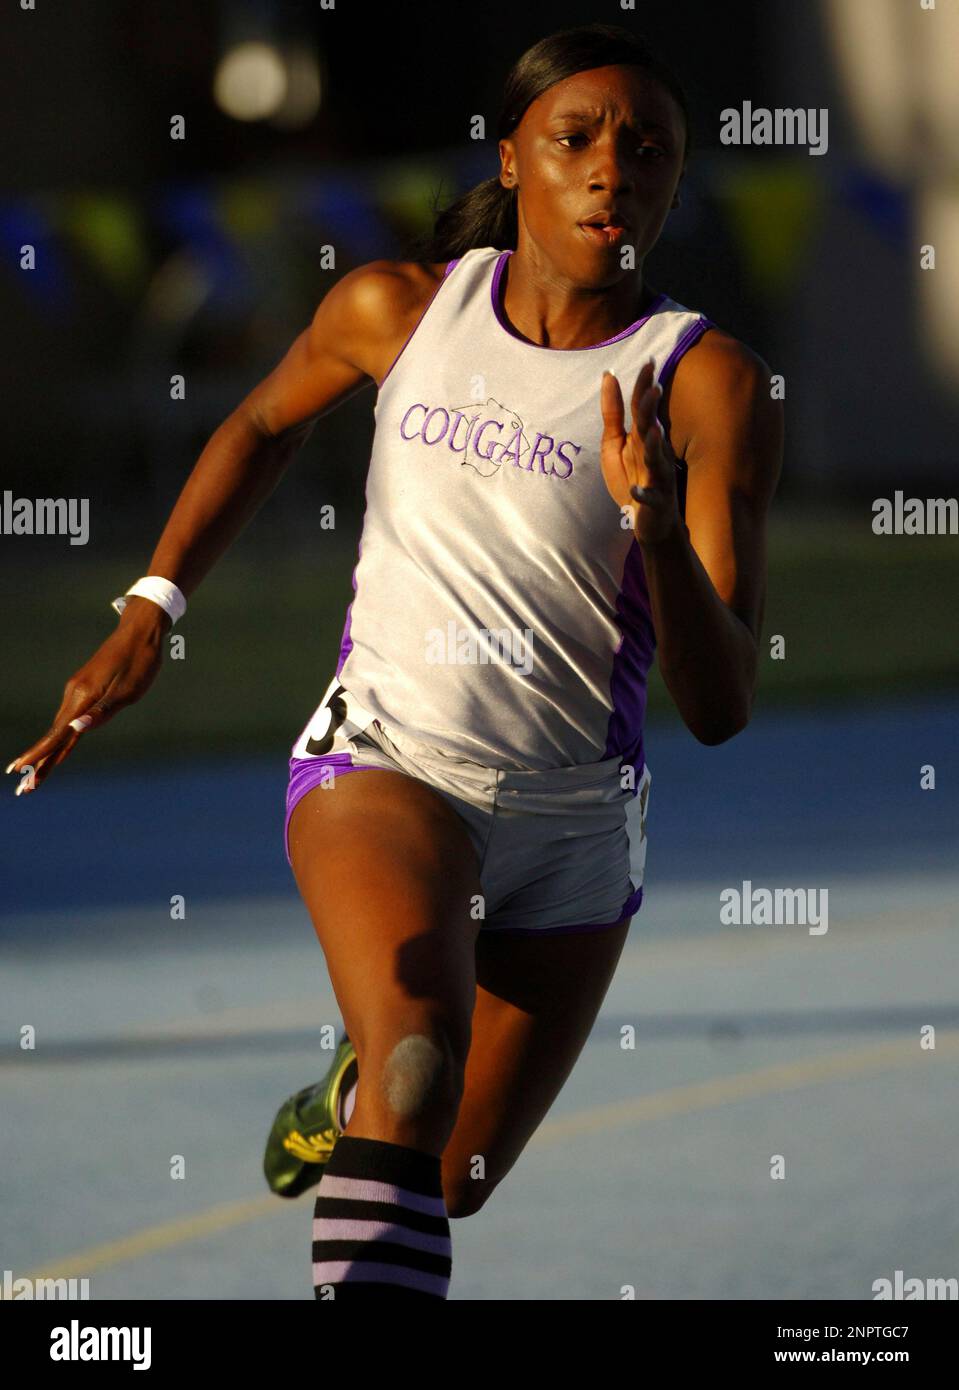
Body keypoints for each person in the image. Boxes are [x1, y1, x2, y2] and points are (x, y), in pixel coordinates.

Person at [6, 22, 783, 1300]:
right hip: (389, 762)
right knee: (419, 1063)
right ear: (513, 160)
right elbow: (259, 418)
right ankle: (383, 1064)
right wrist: (152, 603)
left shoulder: (703, 385)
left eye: (645, 152)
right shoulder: (401, 309)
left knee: (446, 1177)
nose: (610, 172)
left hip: (578, 825)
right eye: (575, 139)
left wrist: (648, 528)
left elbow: (720, 705)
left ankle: (344, 1091)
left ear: (675, 186)